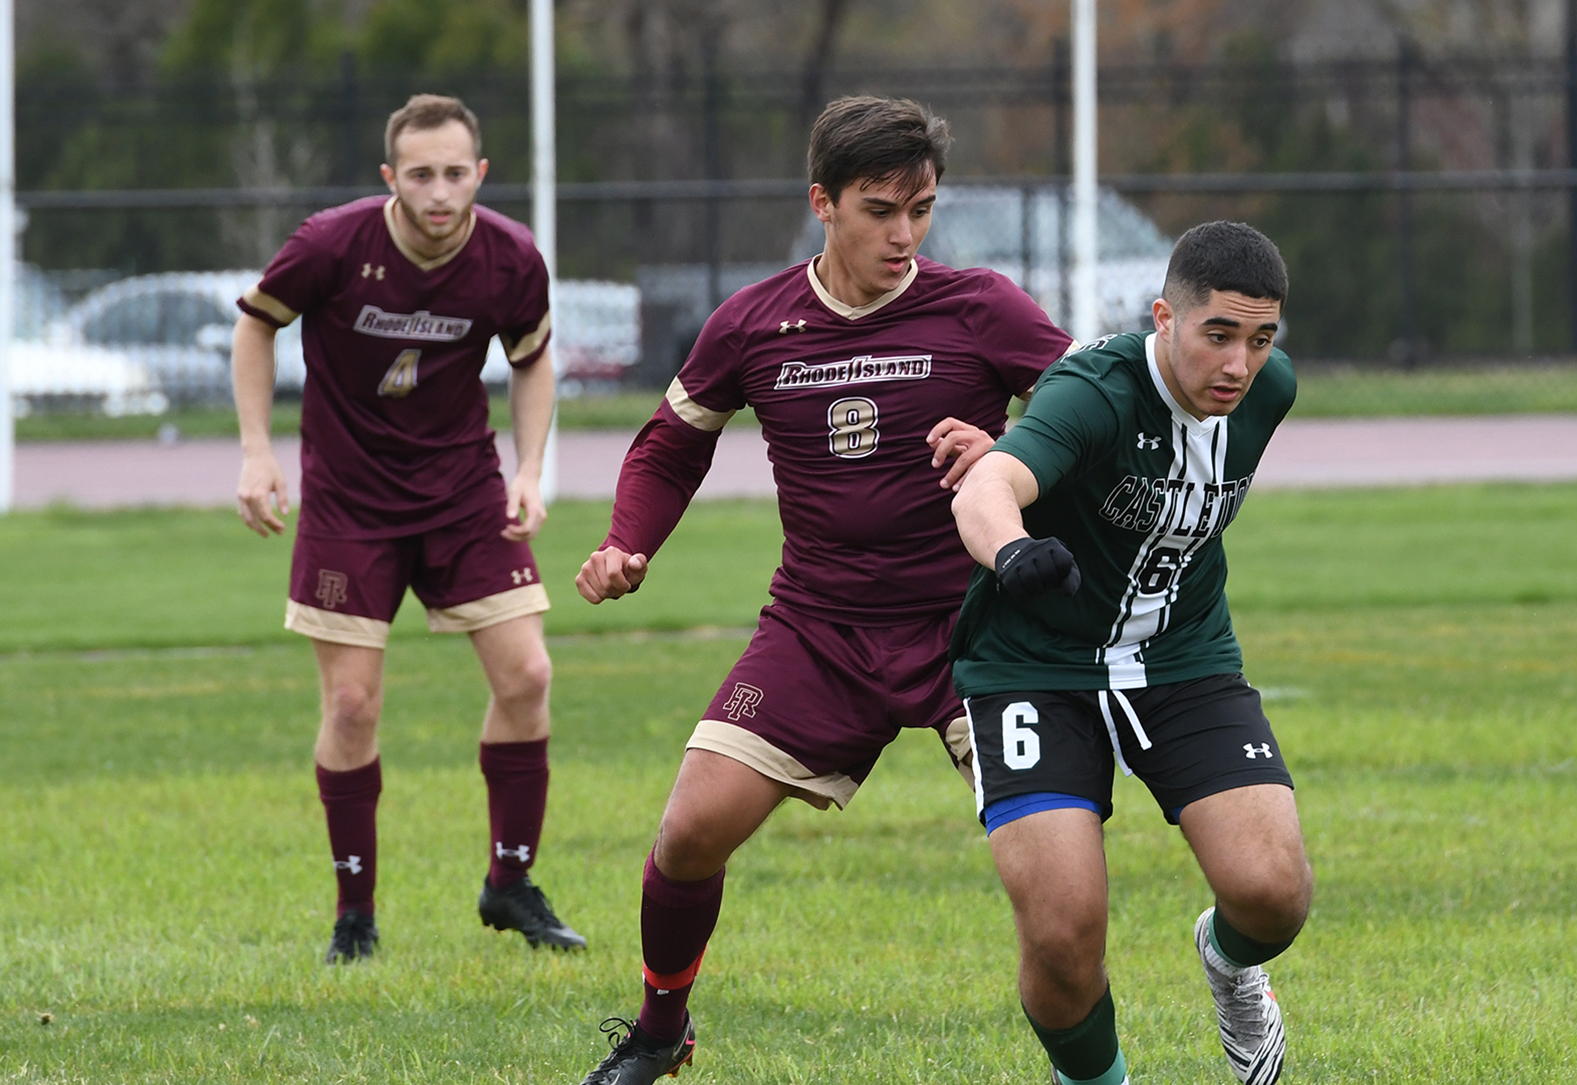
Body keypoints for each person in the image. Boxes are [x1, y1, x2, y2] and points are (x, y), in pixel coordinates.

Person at [570, 95, 1077, 1084]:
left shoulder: (981, 307)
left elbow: (1089, 414)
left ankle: (1083, 1065)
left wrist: (1011, 447)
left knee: (1055, 891)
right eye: (881, 209)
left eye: (921, 209)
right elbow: (671, 447)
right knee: (686, 834)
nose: (904, 233)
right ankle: (659, 1030)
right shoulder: (753, 322)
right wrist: (629, 542)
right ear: (823, 203)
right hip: (817, 631)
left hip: (971, 631)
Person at [946, 221, 1311, 1085]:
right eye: (1218, 334)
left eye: (1260, 339)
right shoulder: (1095, 391)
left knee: (1273, 894)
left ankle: (1227, 962)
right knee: (1064, 931)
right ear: (1164, 318)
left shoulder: (1270, 392)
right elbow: (990, 483)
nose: (1238, 364)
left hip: (1183, 654)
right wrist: (1011, 551)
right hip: (1038, 662)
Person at [232, 93, 585, 964]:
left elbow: (533, 358)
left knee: (528, 675)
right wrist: (255, 452)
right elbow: (255, 326)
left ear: (480, 175)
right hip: (350, 504)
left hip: (464, 496)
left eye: (455, 173)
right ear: (391, 177)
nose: (439, 191)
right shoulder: (331, 244)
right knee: (351, 703)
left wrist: (531, 469)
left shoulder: (510, 259)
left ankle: (510, 882)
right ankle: (355, 914)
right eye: (420, 174)